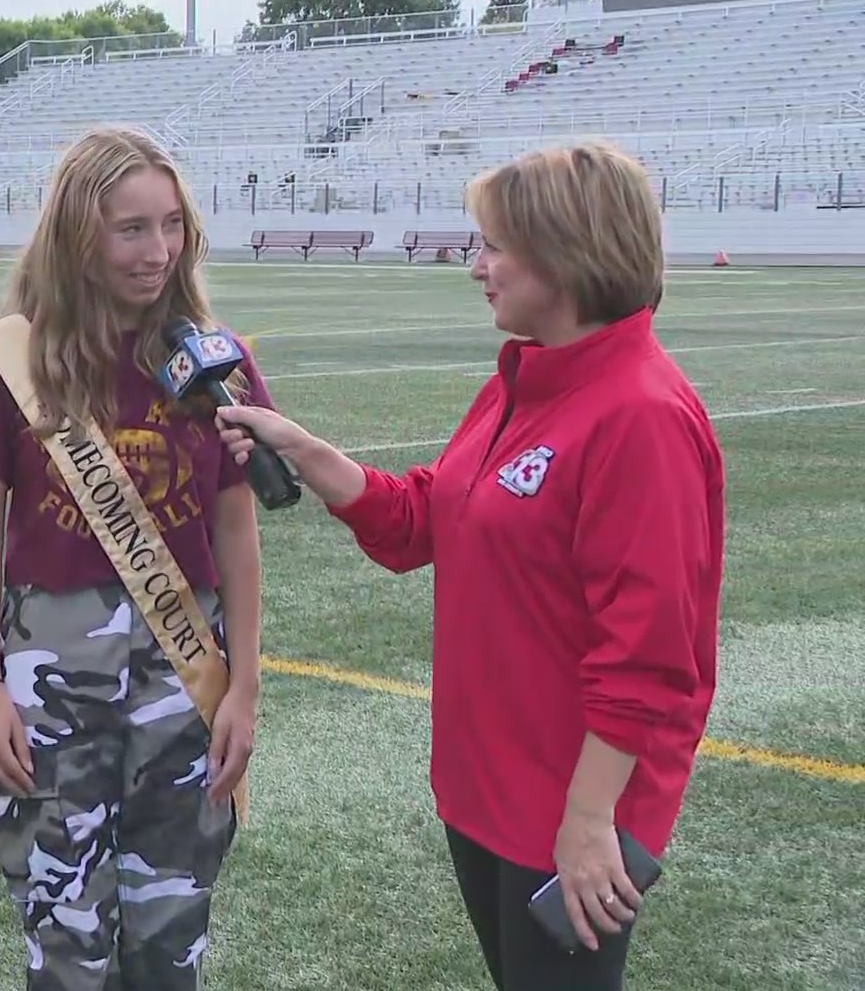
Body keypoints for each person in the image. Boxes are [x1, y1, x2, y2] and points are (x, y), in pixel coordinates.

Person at [216, 139, 724, 991]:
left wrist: (592, 817)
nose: (475, 266)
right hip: (488, 789)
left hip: (569, 812)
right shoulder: (525, 377)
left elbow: (648, 658)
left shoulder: (641, 413)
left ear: (565, 252)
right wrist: (299, 446)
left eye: (493, 245)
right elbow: (427, 515)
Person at [0, 126, 269, 991]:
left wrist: (247, 689)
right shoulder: (6, 359)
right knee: (68, 946)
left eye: (172, 225)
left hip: (183, 687)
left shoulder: (214, 365)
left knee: (169, 944)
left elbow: (237, 529)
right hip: (49, 684)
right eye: (131, 230)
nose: (158, 252)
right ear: (78, 234)